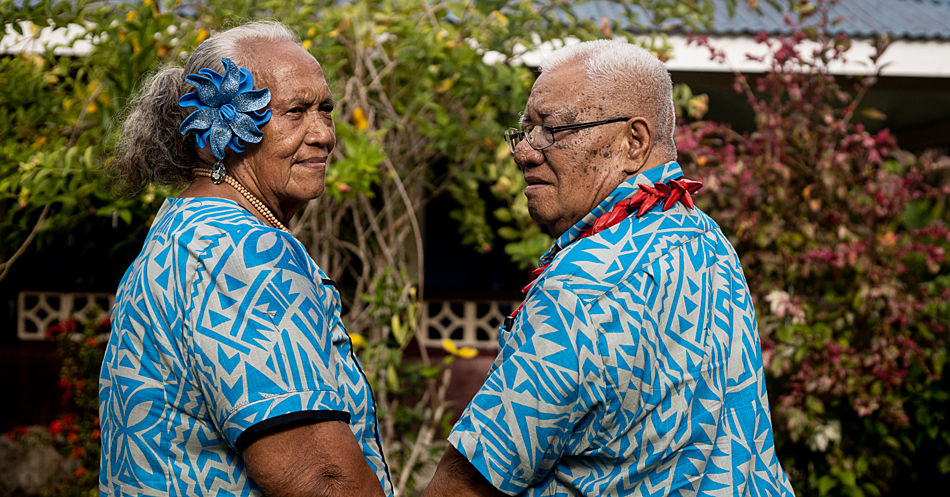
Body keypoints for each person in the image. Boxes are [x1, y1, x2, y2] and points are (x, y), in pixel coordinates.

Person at [423, 40, 795, 496]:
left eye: (553, 130)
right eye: (525, 131)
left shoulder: (582, 287)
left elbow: (468, 485)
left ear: (633, 142)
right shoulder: (708, 242)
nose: (524, 153)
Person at [98, 21, 392, 497]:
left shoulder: (182, 227)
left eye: (326, 110)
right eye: (295, 111)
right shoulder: (240, 252)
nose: (323, 135)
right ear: (216, 130)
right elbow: (319, 477)